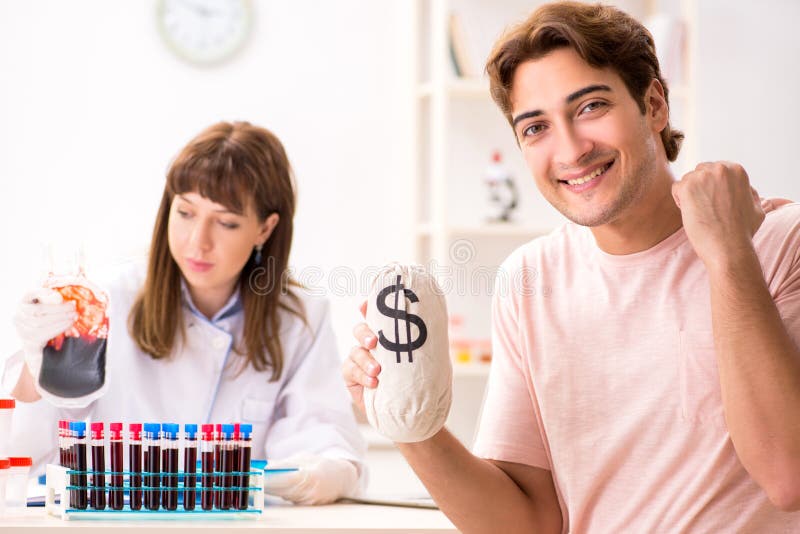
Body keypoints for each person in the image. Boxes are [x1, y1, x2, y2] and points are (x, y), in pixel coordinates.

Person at [344, 2, 800, 531]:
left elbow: (788, 475)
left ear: (654, 104)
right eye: (536, 127)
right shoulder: (528, 278)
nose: (570, 150)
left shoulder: (778, 242)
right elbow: (530, 522)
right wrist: (407, 422)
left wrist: (727, 256)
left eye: (590, 108)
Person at [4, 120, 366, 505]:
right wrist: (34, 367)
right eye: (186, 213)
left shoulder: (298, 322)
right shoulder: (104, 302)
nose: (198, 242)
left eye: (226, 222)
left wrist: (323, 474)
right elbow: (24, 450)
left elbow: (325, 443)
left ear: (265, 228)